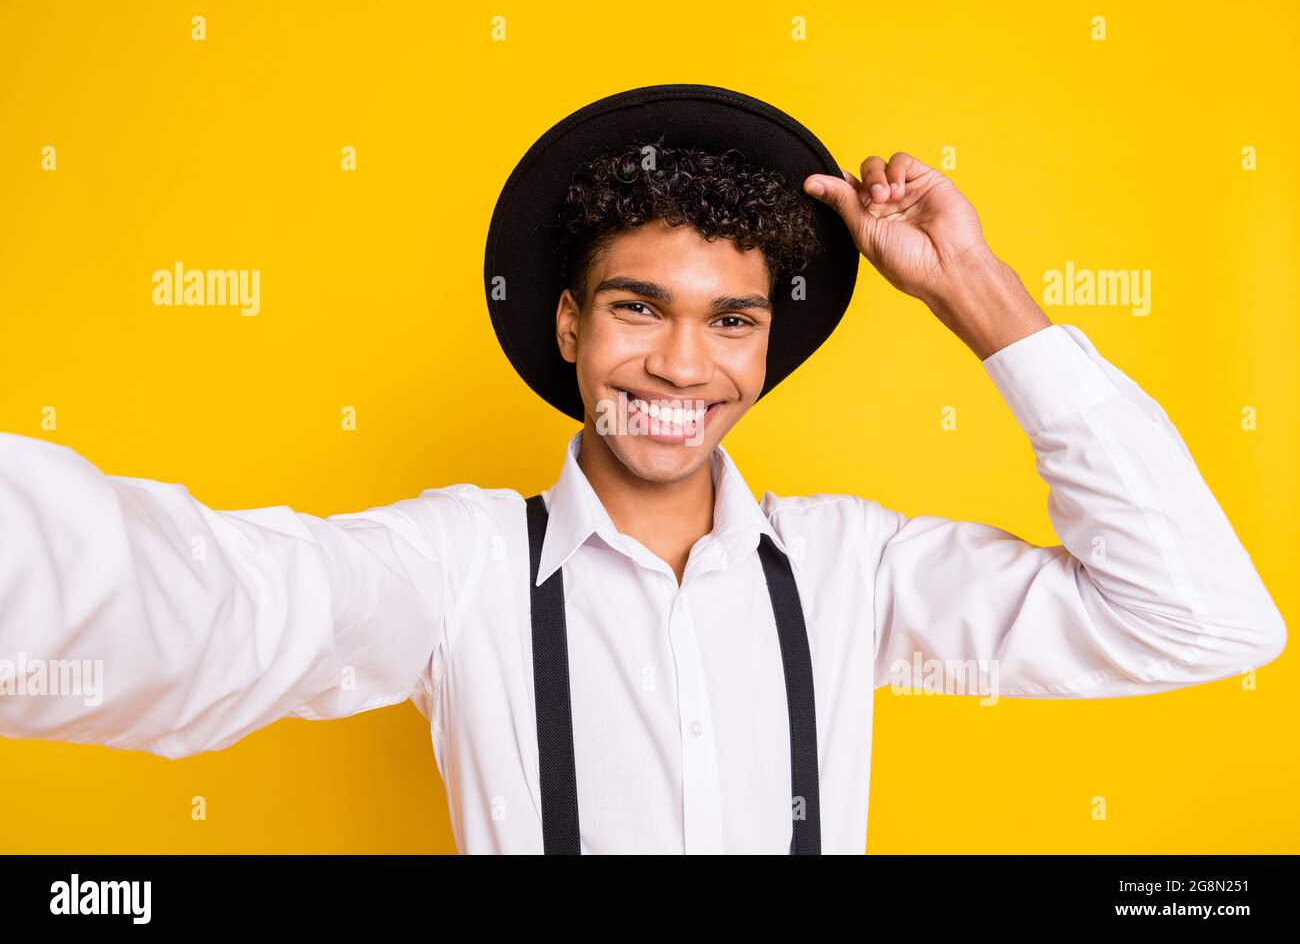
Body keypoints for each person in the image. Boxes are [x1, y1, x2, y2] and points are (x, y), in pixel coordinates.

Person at [0, 84, 1285, 854]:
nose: (681, 363)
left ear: (766, 345)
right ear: (567, 324)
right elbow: (210, 606)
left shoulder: (849, 569)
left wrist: (979, 296)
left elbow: (1202, 621)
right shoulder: (456, 567)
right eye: (637, 306)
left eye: (731, 319)